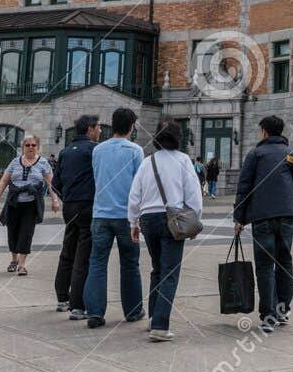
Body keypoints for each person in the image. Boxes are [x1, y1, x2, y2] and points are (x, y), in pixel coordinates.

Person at [233, 115, 293, 332]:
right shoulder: (292, 154)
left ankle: (268, 317)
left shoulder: (255, 154)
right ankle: (282, 310)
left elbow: (244, 187)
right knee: (284, 261)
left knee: (265, 266)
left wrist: (239, 218)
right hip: (287, 216)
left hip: (262, 217)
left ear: (264, 132)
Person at [128, 121, 203, 342]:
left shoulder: (147, 162)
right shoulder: (183, 160)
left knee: (157, 269)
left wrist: (133, 222)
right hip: (173, 218)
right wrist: (194, 221)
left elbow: (134, 194)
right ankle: (160, 325)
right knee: (170, 272)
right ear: (178, 137)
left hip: (148, 218)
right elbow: (194, 194)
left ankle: (153, 317)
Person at [84, 108, 145, 329]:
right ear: (131, 126)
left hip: (100, 214)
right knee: (130, 263)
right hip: (126, 216)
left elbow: (96, 177)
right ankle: (133, 310)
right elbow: (139, 186)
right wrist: (137, 219)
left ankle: (95, 312)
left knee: (97, 262)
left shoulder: (98, 150)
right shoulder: (135, 151)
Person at [0, 134, 57, 275]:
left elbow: (51, 183)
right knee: (12, 232)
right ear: (23, 147)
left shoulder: (43, 163)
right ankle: (14, 260)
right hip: (13, 203)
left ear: (37, 147)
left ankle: (21, 265)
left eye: (33, 145)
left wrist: (54, 200)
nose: (30, 147)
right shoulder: (15, 162)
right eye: (27, 145)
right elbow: (4, 181)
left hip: (31, 204)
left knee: (26, 233)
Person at [53, 115, 100, 318]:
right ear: (90, 129)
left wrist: (67, 198)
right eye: (98, 127)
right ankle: (78, 304)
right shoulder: (93, 150)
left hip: (69, 206)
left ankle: (62, 296)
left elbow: (55, 184)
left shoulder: (65, 152)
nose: (100, 131)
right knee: (84, 254)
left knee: (68, 248)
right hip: (87, 205)